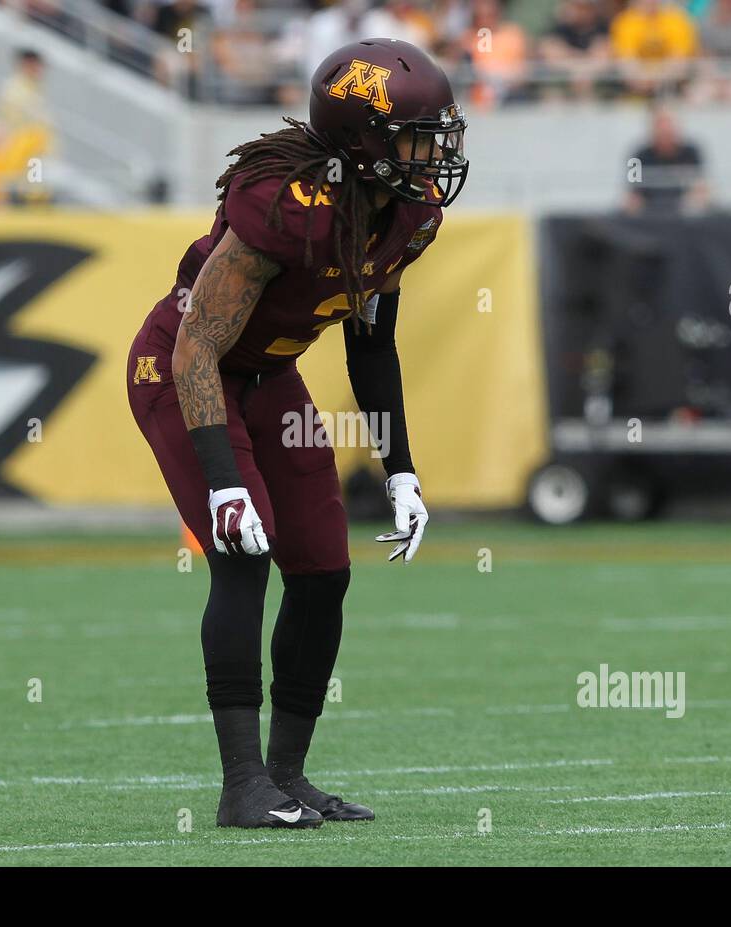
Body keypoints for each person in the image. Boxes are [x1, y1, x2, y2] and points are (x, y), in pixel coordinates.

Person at [126, 37, 466, 828]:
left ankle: (287, 774)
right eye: (416, 137)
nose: (433, 155)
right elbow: (197, 347)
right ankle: (242, 783)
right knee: (245, 553)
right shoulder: (282, 204)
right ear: (361, 142)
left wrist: (401, 471)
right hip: (183, 373)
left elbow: (371, 340)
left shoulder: (408, 214)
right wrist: (222, 484)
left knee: (323, 566)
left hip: (269, 377)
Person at [623, 105, 707, 213]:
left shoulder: (691, 152)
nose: (665, 130)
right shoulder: (638, 156)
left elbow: (700, 186)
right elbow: (633, 192)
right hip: (648, 210)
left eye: (669, 124)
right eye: (660, 125)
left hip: (684, 210)